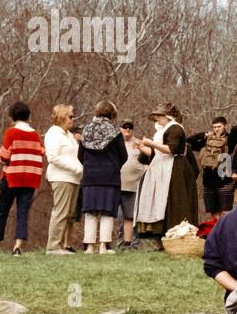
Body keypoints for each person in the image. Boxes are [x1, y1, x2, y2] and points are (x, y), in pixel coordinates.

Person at [135, 103, 199, 246]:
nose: (157, 119)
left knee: (174, 202)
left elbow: (172, 149)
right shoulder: (162, 131)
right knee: (160, 203)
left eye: (159, 116)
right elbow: (156, 154)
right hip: (161, 169)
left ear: (167, 116)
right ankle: (161, 239)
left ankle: (178, 240)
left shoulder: (175, 128)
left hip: (174, 169)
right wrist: (142, 147)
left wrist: (151, 143)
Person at [0, 102, 44, 256]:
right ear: (28, 116)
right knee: (22, 213)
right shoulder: (35, 135)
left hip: (12, 177)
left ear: (12, 117)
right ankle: (17, 247)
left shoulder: (11, 132)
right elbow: (40, 153)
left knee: (2, 211)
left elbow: (5, 156)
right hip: (30, 178)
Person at [77, 102, 129, 255]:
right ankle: (103, 246)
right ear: (113, 114)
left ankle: (89, 247)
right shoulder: (115, 131)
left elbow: (80, 155)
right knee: (107, 211)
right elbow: (124, 156)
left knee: (90, 212)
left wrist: (90, 166)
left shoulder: (87, 130)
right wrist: (113, 166)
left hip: (90, 177)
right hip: (109, 177)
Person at [42, 105, 82, 254]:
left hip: (73, 178)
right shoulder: (54, 133)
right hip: (61, 177)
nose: (73, 119)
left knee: (69, 214)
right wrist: (75, 168)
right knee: (60, 212)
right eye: (70, 116)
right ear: (62, 117)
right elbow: (53, 157)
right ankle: (53, 246)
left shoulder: (69, 135)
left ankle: (61, 245)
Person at [198, 116, 237, 219]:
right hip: (208, 180)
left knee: (226, 212)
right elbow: (189, 141)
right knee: (213, 213)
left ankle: (225, 229)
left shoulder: (229, 140)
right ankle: (216, 229)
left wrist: (224, 134)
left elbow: (236, 130)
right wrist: (204, 135)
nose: (216, 129)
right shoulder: (207, 140)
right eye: (214, 127)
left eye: (219, 126)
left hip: (224, 179)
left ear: (225, 126)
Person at [115, 122, 146, 251]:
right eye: (125, 127)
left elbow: (147, 161)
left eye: (130, 128)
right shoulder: (115, 143)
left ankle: (133, 244)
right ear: (120, 129)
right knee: (119, 217)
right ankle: (121, 243)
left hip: (134, 186)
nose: (127, 130)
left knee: (132, 216)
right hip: (117, 185)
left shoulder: (138, 144)